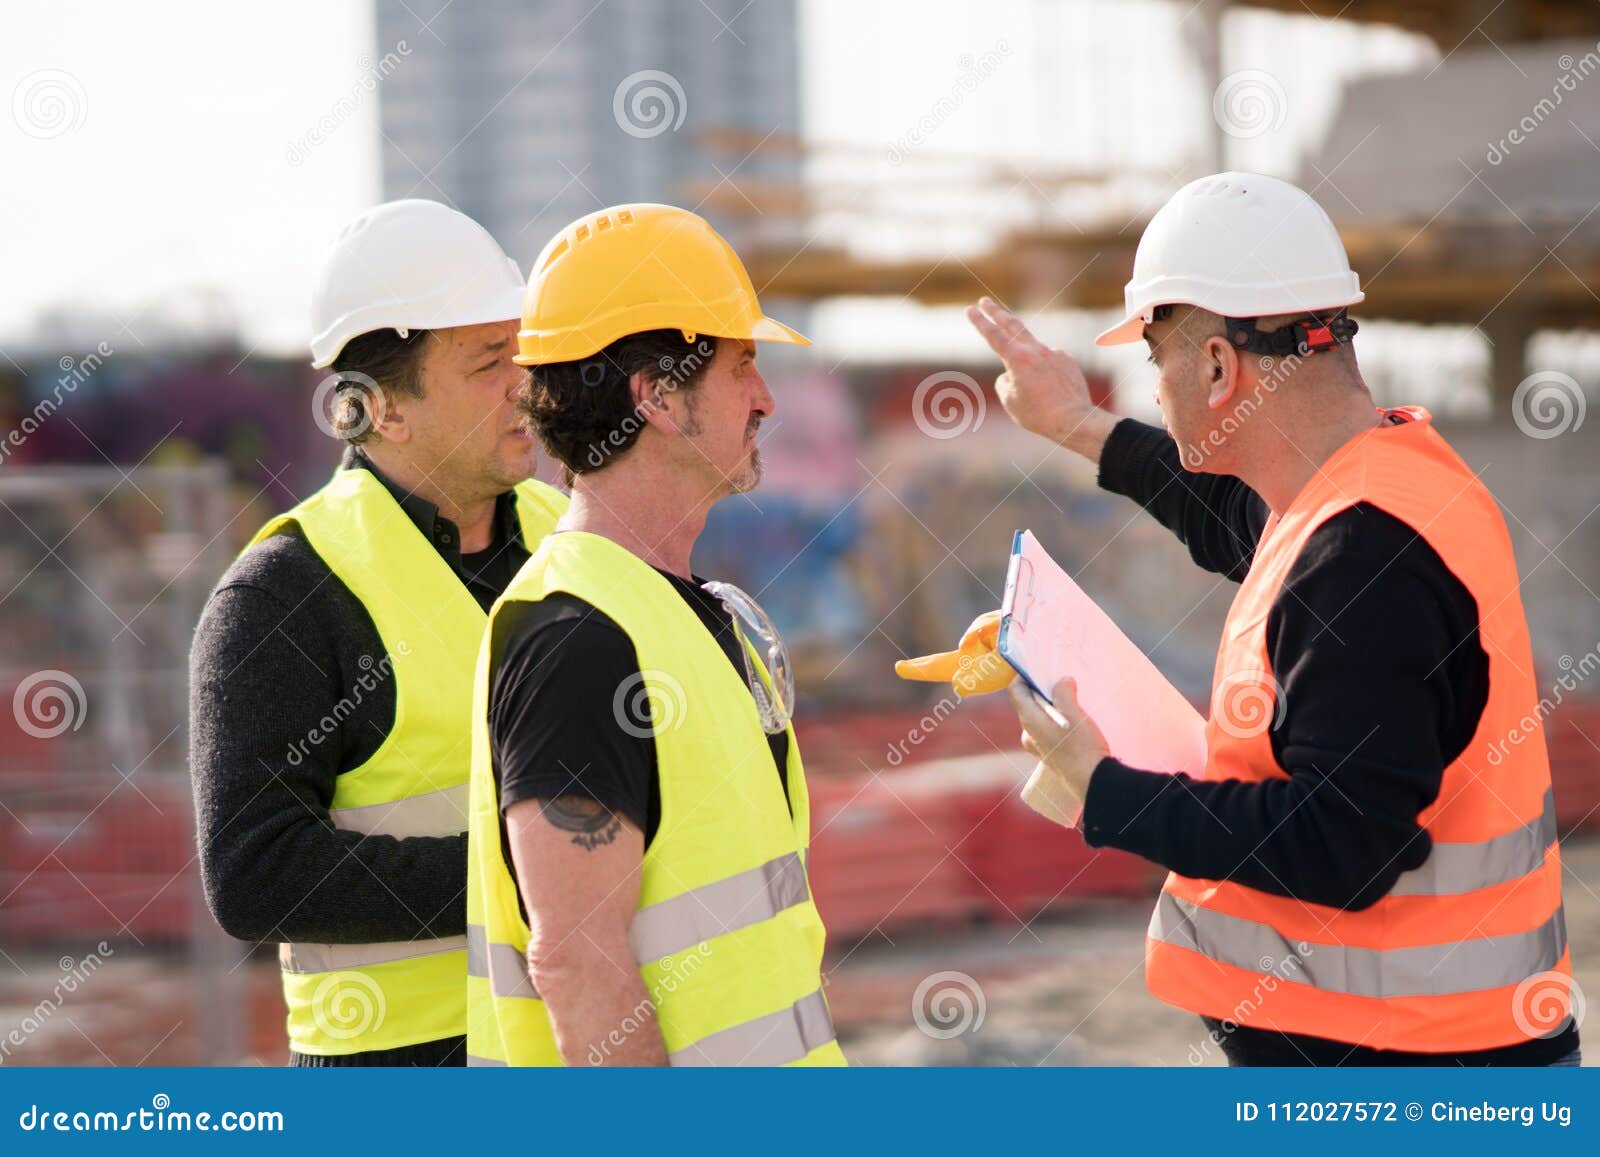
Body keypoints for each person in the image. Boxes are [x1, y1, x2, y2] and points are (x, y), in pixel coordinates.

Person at [969, 171, 1578, 1067]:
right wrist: (1075, 423)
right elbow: (1232, 522)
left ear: (1218, 367)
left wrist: (1107, 792)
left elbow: (1346, 844)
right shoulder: (1381, 490)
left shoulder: (1362, 553)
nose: (1155, 387)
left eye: (1156, 359)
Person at [463, 203, 846, 1067]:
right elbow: (577, 965)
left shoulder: (680, 609)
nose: (766, 397)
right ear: (659, 396)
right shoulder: (575, 637)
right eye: (742, 365)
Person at [189, 199, 568, 1065]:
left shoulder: (572, 538)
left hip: (566, 1041)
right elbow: (255, 873)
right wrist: (534, 875)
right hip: (394, 1066)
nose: (524, 383)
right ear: (378, 409)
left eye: (522, 351)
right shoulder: (282, 591)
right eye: (485, 363)